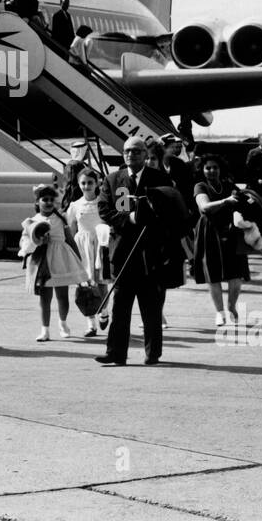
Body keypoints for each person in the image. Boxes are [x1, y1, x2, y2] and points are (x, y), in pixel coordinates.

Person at [95, 136, 175, 366]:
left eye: (137, 151)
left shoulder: (160, 178)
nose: (131, 155)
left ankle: (153, 353)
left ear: (144, 154)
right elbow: (104, 209)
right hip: (122, 253)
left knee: (151, 308)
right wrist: (128, 218)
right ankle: (116, 354)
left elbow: (169, 209)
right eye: (127, 151)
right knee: (120, 308)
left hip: (151, 254)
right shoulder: (113, 179)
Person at [20, 184, 87, 341]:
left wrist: (78, 261)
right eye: (45, 199)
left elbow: (70, 240)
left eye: (51, 199)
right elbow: (25, 241)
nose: (49, 202)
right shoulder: (32, 221)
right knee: (44, 298)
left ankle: (63, 323)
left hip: (61, 260)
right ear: (37, 202)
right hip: (43, 262)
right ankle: (45, 330)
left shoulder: (61, 218)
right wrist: (38, 242)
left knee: (62, 296)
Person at [191, 154, 251, 325]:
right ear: (202, 170)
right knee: (213, 274)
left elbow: (243, 203)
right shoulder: (200, 186)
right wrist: (226, 201)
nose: (212, 171)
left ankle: (231, 307)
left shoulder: (229, 185)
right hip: (209, 232)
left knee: (236, 274)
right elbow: (204, 208)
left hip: (232, 231)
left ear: (220, 169)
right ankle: (220, 312)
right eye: (208, 168)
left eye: (215, 167)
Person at [65, 166, 106, 337]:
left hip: (100, 245)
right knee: (84, 285)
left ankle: (104, 311)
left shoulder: (103, 202)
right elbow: (72, 229)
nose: (86, 186)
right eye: (83, 183)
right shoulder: (75, 205)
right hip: (82, 247)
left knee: (101, 281)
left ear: (97, 183)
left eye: (90, 182)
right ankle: (91, 323)